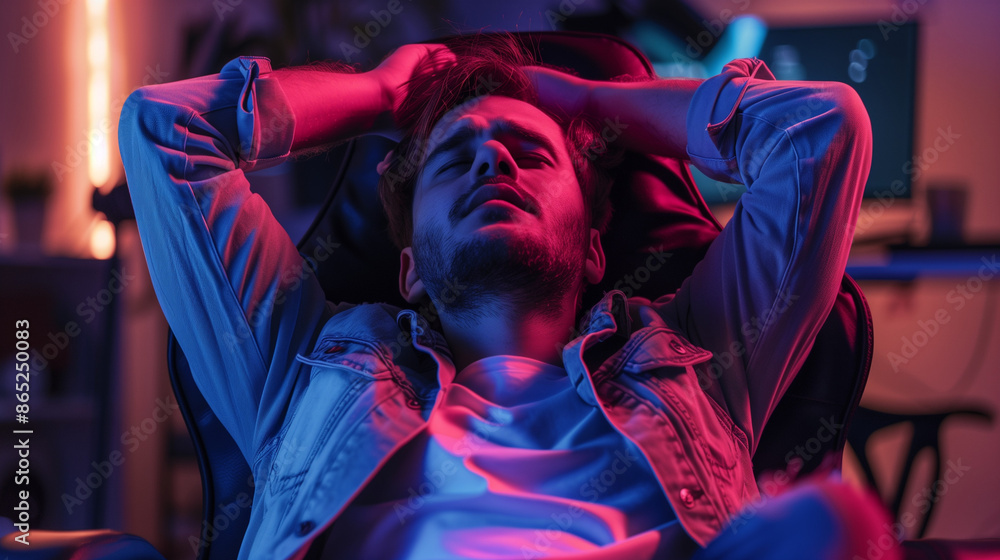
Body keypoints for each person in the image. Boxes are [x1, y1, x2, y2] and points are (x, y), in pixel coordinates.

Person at [118, 33, 896, 560]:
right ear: (411, 268)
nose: (492, 156)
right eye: (455, 159)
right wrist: (383, 92)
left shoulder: (701, 354)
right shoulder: (303, 366)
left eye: (529, 151)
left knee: (832, 521)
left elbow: (822, 128)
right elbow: (164, 129)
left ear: (596, 247)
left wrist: (591, 104)